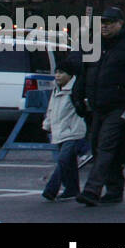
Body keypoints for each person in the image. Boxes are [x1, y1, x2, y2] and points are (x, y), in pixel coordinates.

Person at [78, 7, 125, 206]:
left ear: (121, 23)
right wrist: (79, 97)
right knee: (98, 146)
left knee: (106, 146)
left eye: (109, 22)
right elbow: (84, 71)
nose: (104, 26)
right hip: (97, 104)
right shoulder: (95, 43)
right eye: (102, 22)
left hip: (120, 104)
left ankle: (92, 189)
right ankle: (115, 187)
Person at [41, 60, 89, 202]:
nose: (57, 75)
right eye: (56, 72)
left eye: (61, 73)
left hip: (73, 131)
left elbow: (84, 108)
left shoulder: (76, 90)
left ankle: (51, 189)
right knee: (69, 163)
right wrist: (47, 124)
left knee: (63, 160)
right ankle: (72, 189)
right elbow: (51, 109)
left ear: (70, 75)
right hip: (60, 131)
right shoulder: (56, 89)